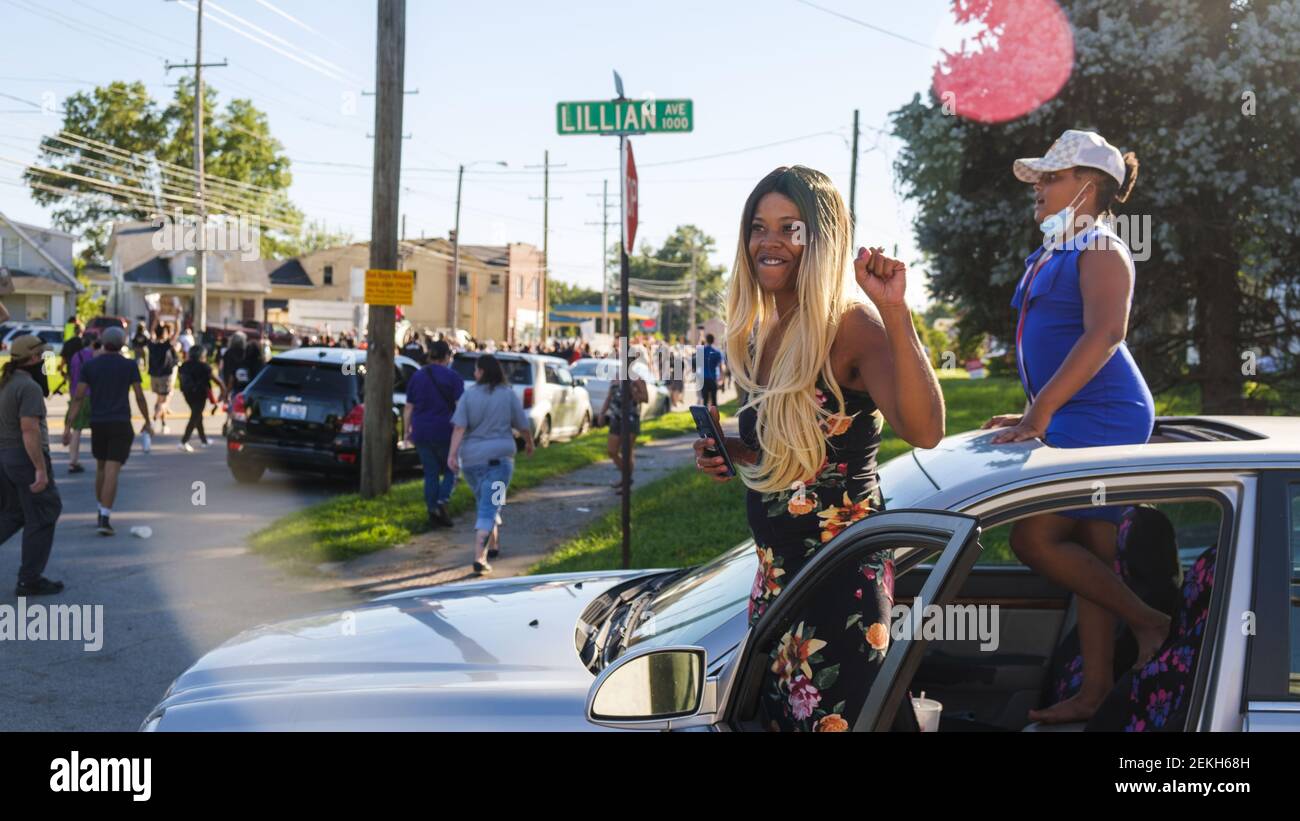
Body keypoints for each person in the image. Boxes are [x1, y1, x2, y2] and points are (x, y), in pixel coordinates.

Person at [692, 165, 944, 732]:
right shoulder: (766, 326)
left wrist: (896, 311)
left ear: (823, 238)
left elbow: (924, 429)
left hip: (838, 579)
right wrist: (732, 449)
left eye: (790, 227)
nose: (769, 241)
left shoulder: (852, 324)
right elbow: (803, 444)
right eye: (759, 227)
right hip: (778, 579)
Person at [982, 130, 1165, 725]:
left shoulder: (1103, 247)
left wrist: (1043, 415)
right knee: (1091, 548)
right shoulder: (1053, 248)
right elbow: (1049, 341)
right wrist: (1034, 405)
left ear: (1087, 186)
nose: (1037, 186)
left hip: (1107, 413)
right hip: (1072, 409)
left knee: (1034, 539)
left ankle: (1149, 625)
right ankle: (1095, 691)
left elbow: (1105, 335)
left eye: (1050, 178)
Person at [446, 354, 534, 575]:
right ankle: (480, 557)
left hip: (472, 463)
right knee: (490, 505)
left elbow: (459, 428)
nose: (474, 373)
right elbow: (522, 424)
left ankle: (493, 545)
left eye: (476, 370)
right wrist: (529, 443)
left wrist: (452, 455)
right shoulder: (508, 395)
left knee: (485, 502)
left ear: (482, 372)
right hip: (500, 462)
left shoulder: (468, 396)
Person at [64, 326, 152, 537]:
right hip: (120, 421)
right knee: (113, 469)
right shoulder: (129, 365)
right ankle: (105, 517)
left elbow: (78, 397)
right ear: (123, 344)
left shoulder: (91, 366)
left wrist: (68, 426)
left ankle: (100, 508)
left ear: (103, 342)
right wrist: (148, 420)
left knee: (101, 468)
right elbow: (139, 395)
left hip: (98, 423)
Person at [0, 335, 64, 596]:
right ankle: (29, 579)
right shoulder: (29, 388)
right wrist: (39, 468)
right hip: (24, 458)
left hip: (7, 457)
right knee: (45, 511)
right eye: (43, 356)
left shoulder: (7, 382)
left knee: (15, 513)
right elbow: (29, 429)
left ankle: (30, 577)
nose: (46, 360)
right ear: (34, 358)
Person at [404, 339, 465, 528]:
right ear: (447, 356)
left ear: (430, 356)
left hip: (421, 430)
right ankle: (442, 502)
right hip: (445, 430)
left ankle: (432, 510)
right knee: (451, 469)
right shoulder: (454, 378)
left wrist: (406, 431)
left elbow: (408, 407)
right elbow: (459, 407)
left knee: (430, 473)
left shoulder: (417, 376)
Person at [600, 344, 651, 494]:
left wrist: (633, 392)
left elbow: (645, 398)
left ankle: (625, 482)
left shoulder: (637, 378)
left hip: (630, 419)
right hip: (615, 418)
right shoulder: (616, 377)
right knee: (612, 451)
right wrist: (603, 413)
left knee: (627, 451)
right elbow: (609, 396)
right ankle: (627, 477)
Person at [177, 345, 223, 451]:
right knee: (195, 417)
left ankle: (204, 440)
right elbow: (218, 381)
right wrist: (223, 393)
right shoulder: (204, 366)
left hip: (187, 394)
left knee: (198, 416)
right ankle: (184, 441)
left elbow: (181, 379)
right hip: (200, 395)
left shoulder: (184, 365)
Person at [65, 333, 98, 473]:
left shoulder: (75, 356)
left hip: (76, 394)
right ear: (93, 343)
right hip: (92, 395)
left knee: (76, 429)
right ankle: (102, 459)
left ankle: (73, 460)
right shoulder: (95, 356)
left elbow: (72, 374)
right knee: (98, 428)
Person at [146, 323, 179, 434]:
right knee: (164, 402)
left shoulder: (151, 344)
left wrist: (154, 320)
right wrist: (177, 318)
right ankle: (152, 421)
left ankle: (164, 424)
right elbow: (176, 333)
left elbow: (150, 332)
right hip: (165, 376)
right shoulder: (165, 345)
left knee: (159, 400)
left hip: (154, 376)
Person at [220, 331, 263, 399]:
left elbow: (224, 368)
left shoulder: (228, 353)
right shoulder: (245, 354)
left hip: (233, 381)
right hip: (245, 385)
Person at [699, 333, 724, 408]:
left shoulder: (702, 351)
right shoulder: (717, 352)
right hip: (713, 377)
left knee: (705, 400)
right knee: (714, 400)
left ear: (706, 340)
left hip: (703, 377)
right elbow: (720, 366)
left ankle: (704, 417)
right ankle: (714, 417)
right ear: (713, 341)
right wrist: (722, 378)